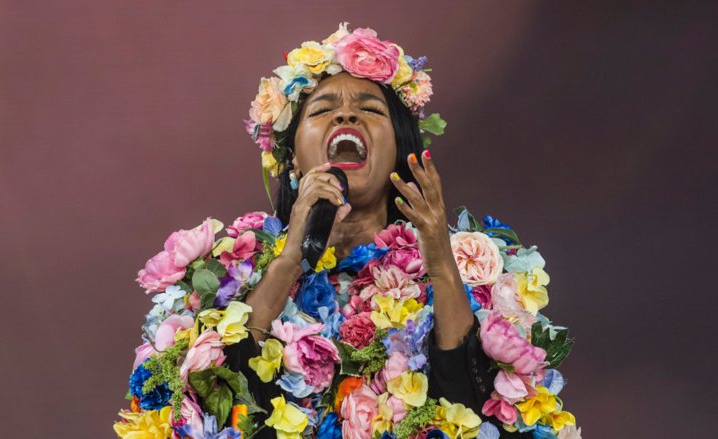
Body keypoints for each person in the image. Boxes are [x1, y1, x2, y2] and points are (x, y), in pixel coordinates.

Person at [117, 23, 580, 439]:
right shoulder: (226, 266)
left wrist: (440, 258)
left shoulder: (475, 270)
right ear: (293, 158)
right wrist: (290, 257)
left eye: (369, 109)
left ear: (399, 150)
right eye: (323, 109)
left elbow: (473, 408)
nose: (345, 117)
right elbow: (212, 398)